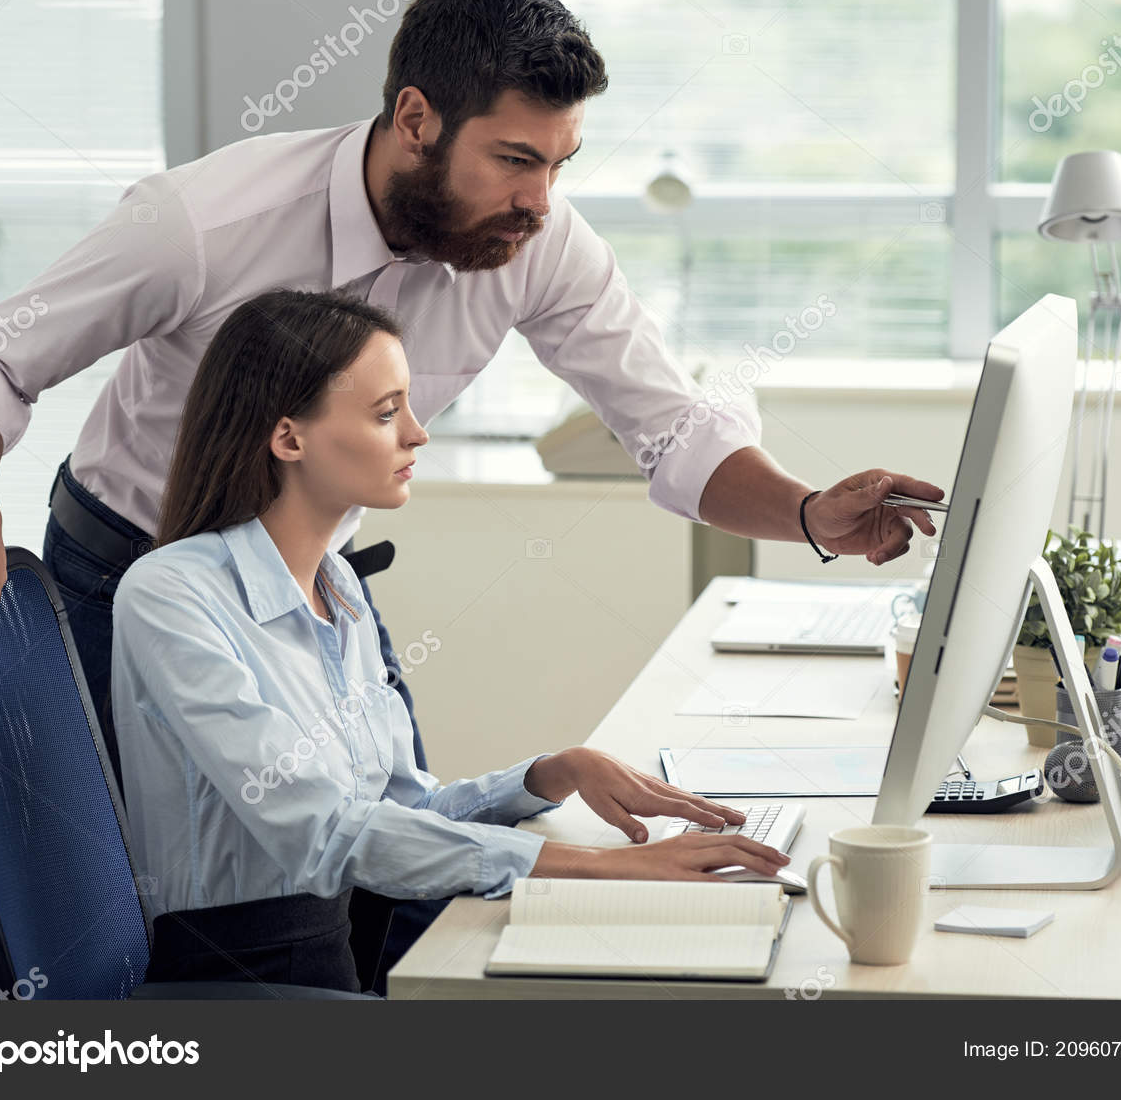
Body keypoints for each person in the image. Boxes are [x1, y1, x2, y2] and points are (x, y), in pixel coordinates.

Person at [0, 0, 942, 791]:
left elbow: (671, 430)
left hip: (310, 587)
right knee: (162, 904)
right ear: (416, 120)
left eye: (559, 164)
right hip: (127, 577)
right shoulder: (202, 223)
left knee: (390, 868)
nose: (539, 200)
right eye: (515, 160)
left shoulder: (539, 244)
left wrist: (807, 513)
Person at [115, 288, 788, 995]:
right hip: (246, 970)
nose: (417, 434)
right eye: (386, 413)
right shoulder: (172, 594)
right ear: (289, 439)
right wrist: (606, 867)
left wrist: (549, 774)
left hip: (348, 937)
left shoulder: (338, 586)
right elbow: (320, 833)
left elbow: (401, 811)